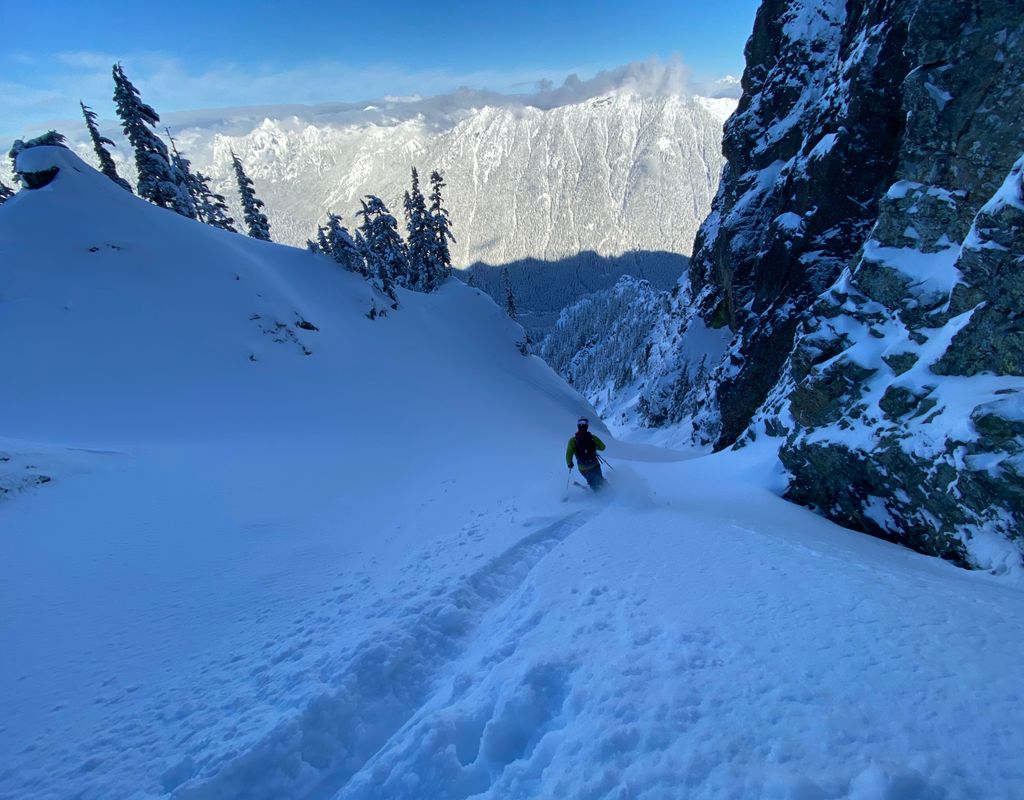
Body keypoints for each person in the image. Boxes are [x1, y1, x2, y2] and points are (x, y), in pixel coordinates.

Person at [566, 417, 607, 491]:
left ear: (578, 426)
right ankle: (609, 491)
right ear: (587, 426)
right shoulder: (593, 437)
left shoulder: (572, 441)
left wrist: (569, 463)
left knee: (591, 481)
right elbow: (603, 447)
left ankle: (598, 493)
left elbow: (569, 454)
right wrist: (594, 448)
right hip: (595, 465)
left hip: (583, 468)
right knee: (600, 478)